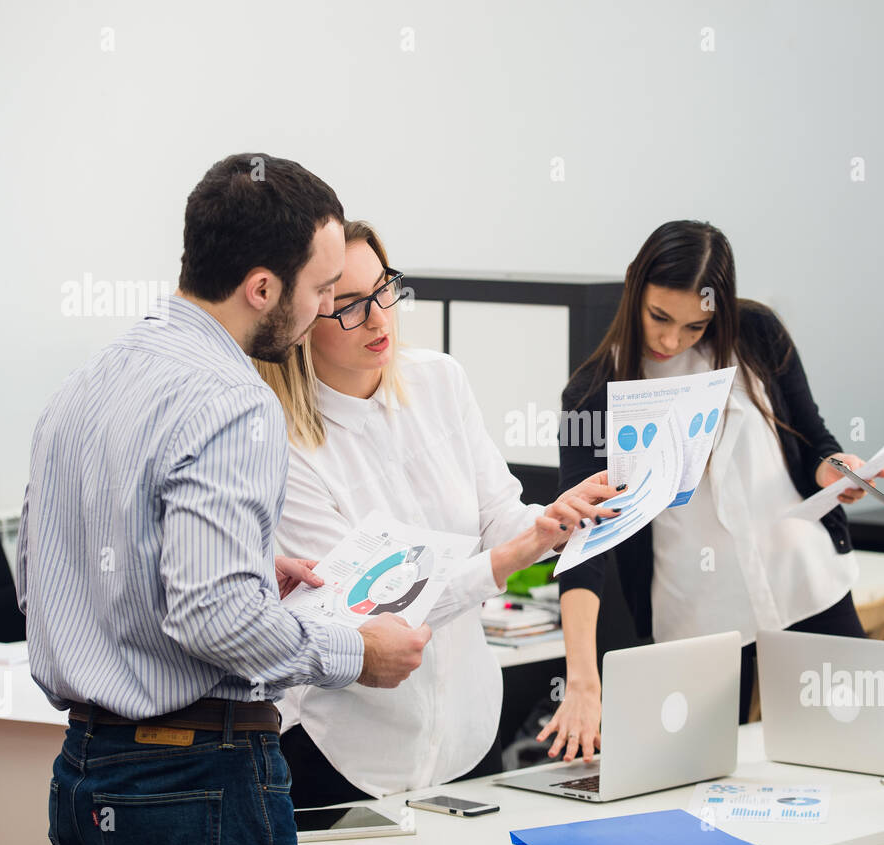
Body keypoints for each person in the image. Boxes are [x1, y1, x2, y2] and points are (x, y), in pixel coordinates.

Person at [17, 154, 431, 845]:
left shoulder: (85, 384)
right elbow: (214, 616)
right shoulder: (234, 401)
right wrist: (358, 652)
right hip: (195, 785)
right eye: (323, 287)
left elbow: (45, 578)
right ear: (263, 287)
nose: (325, 307)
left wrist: (237, 562)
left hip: (85, 777)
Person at [255, 219, 618, 805]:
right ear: (301, 321)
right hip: (347, 756)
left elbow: (499, 512)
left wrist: (553, 521)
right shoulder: (283, 443)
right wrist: (506, 560)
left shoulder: (440, 380)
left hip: (466, 736)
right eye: (348, 306)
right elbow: (365, 610)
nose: (378, 318)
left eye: (384, 291)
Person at [543, 220, 881, 762]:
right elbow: (583, 541)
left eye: (696, 326)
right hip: (697, 613)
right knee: (697, 779)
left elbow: (815, 441)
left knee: (859, 748)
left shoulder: (756, 334)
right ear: (634, 287)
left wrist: (837, 471)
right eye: (659, 317)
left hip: (803, 581)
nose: (672, 339)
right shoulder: (593, 396)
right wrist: (582, 678)